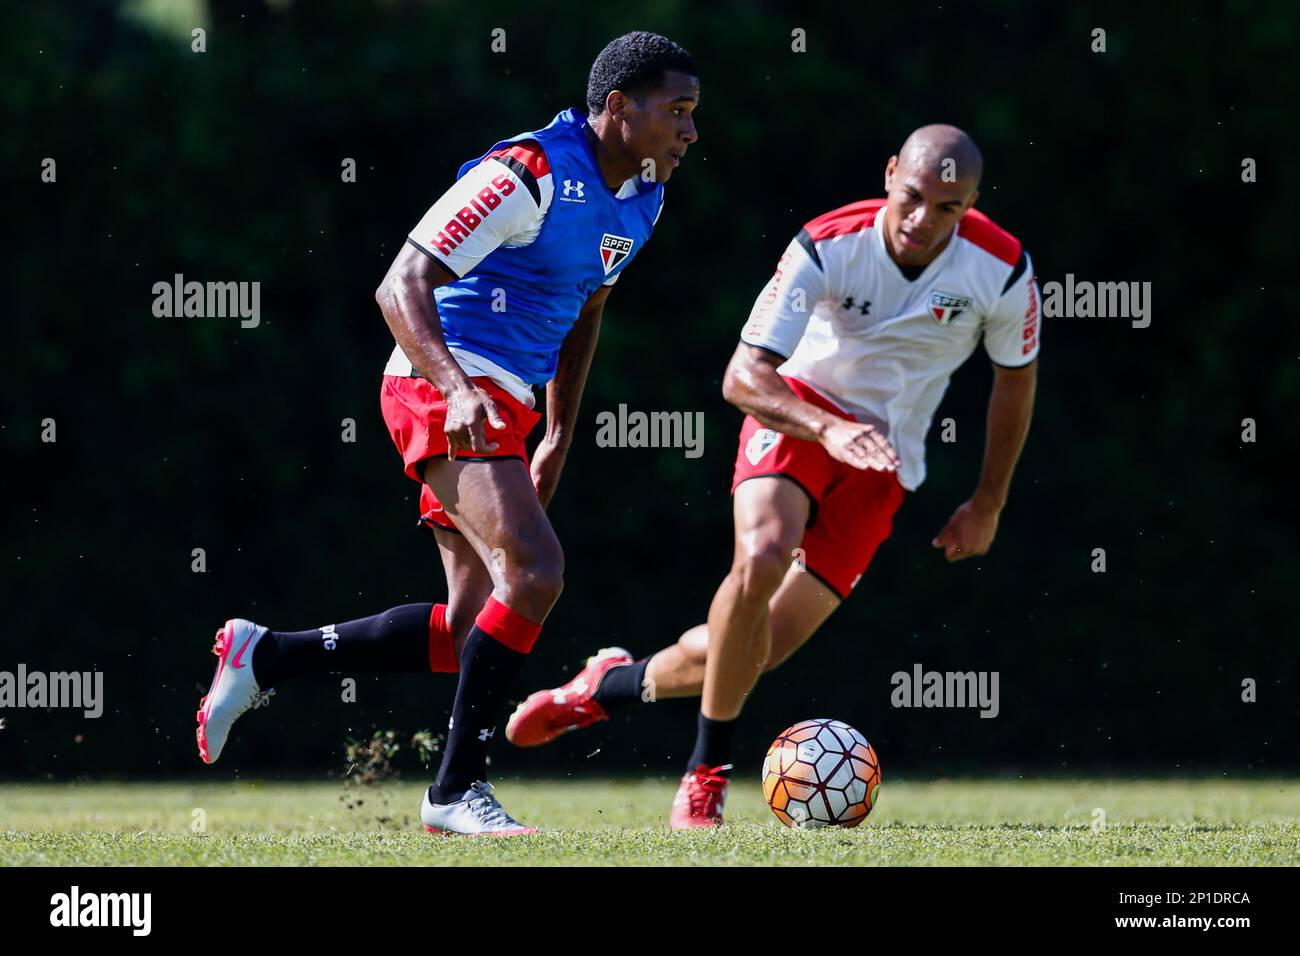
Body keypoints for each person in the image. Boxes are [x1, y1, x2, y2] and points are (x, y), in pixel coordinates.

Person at [195, 31, 700, 836]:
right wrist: (457, 390)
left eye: (692, 115)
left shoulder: (645, 195)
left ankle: (267, 656)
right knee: (536, 571)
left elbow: (588, 305)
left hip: (507, 402)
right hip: (440, 381)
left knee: (470, 627)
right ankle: (454, 790)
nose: (689, 132)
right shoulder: (528, 171)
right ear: (616, 108)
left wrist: (561, 431)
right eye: (676, 112)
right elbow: (400, 284)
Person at [506, 124, 1041, 828]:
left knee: (761, 649)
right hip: (795, 415)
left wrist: (989, 501)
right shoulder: (826, 244)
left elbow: (1015, 380)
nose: (923, 221)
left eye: (948, 207)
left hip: (885, 461)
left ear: (970, 203)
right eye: (912, 197)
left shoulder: (1001, 269)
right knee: (758, 558)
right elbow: (742, 378)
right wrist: (827, 427)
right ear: (889, 174)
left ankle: (611, 686)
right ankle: (706, 772)